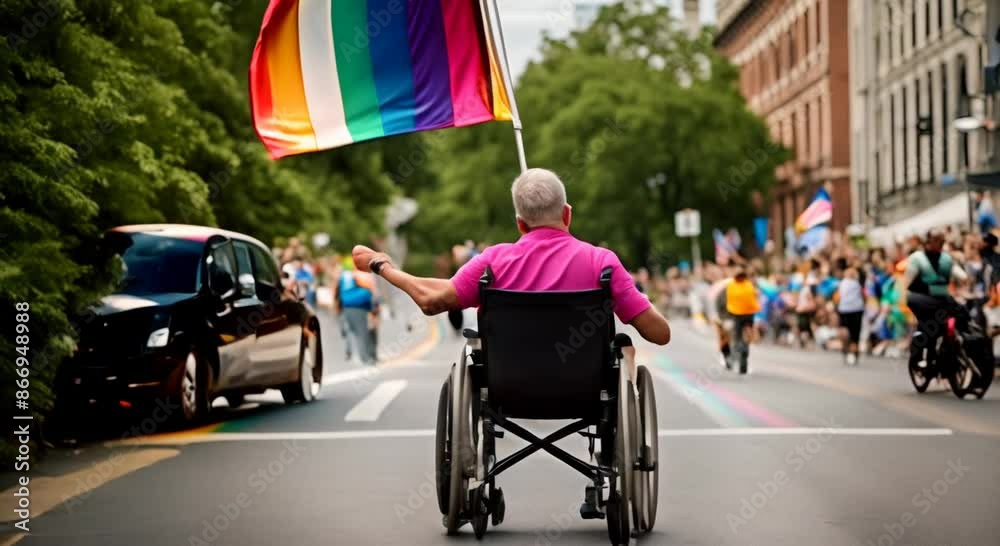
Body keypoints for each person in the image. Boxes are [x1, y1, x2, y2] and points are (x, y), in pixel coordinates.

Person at [349, 168, 671, 515]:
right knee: (624, 348)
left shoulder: (493, 262)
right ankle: (610, 457)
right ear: (567, 213)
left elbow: (433, 299)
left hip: (507, 390)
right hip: (586, 389)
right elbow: (660, 334)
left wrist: (382, 266)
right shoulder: (601, 263)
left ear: (520, 223)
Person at [900, 229, 969, 370]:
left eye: (942, 241)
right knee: (929, 324)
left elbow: (961, 276)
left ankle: (955, 350)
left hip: (941, 298)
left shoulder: (946, 258)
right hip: (921, 298)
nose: (941, 243)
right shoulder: (917, 258)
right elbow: (907, 281)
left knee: (962, 313)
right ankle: (921, 356)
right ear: (928, 241)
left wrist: (965, 286)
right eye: (938, 240)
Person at [335, 258, 378, 365]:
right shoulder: (361, 275)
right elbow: (370, 289)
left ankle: (355, 354)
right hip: (361, 306)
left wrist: (338, 307)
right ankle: (366, 358)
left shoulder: (344, 276)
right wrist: (374, 306)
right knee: (363, 332)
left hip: (347, 306)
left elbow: (337, 292)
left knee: (351, 331)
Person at [723, 266, 760, 374]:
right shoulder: (749, 285)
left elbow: (728, 301)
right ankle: (744, 348)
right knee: (747, 334)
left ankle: (739, 350)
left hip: (737, 314)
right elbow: (755, 297)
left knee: (737, 336)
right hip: (749, 314)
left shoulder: (731, 286)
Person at [836, 267, 865, 365]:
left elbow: (838, 296)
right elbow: (863, 295)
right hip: (857, 309)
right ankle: (854, 353)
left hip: (844, 309)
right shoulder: (858, 284)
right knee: (855, 333)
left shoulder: (842, 283)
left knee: (844, 329)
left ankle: (845, 348)